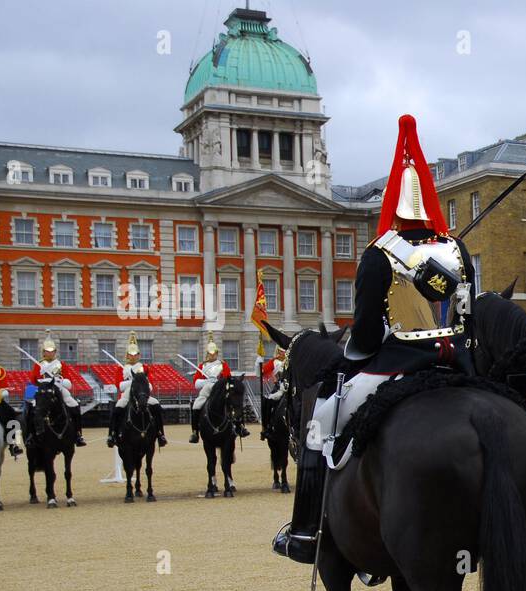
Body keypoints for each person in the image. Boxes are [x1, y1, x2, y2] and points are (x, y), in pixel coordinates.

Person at [274, 114, 475, 563]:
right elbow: (468, 317)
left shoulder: (381, 253)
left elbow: (364, 335)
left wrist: (364, 348)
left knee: (321, 422)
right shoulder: (456, 249)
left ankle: (308, 531)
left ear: (393, 204)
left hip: (398, 364)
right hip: (457, 363)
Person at [108, 331, 167, 448]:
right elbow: (119, 386)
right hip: (127, 394)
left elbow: (150, 384)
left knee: (156, 405)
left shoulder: (144, 367)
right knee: (117, 409)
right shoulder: (121, 369)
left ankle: (161, 434)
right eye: (131, 354)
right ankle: (112, 434)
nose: (133, 357)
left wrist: (141, 384)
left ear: (139, 355)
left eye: (135, 354)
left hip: (142, 393)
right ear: (127, 355)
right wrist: (133, 381)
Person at [30, 333, 86, 446]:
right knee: (31, 409)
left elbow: (68, 380)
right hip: (44, 391)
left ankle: (78, 434)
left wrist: (62, 382)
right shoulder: (38, 365)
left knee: (74, 405)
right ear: (43, 352)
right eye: (47, 351)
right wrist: (42, 379)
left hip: (59, 389)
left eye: (52, 351)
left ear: (55, 352)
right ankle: (31, 435)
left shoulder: (61, 365)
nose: (49, 353)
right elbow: (33, 380)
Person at [189, 339, 248, 442]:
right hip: (207, 390)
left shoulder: (223, 365)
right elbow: (196, 383)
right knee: (196, 405)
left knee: (234, 403)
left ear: (217, 353)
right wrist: (207, 381)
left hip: (221, 390)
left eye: (214, 354)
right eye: (210, 354)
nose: (212, 356)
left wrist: (218, 381)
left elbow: (228, 379)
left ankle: (240, 426)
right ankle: (195, 431)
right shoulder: (202, 366)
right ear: (207, 354)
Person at [259, 344, 288, 439]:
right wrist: (258, 362)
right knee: (267, 402)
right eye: (280, 351)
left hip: (290, 386)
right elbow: (262, 371)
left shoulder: (290, 361)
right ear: (277, 351)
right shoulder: (274, 362)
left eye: (284, 351)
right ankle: (266, 427)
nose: (282, 353)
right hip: (279, 387)